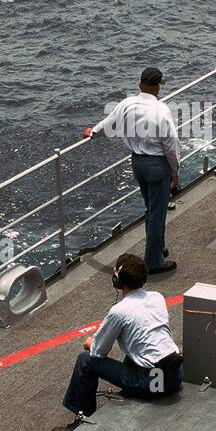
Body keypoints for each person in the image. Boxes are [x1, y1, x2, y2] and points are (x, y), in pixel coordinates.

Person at [51, 253, 182, 431]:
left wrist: (90, 342)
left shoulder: (119, 311)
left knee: (85, 360)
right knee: (136, 352)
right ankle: (134, 389)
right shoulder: (157, 297)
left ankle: (82, 420)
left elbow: (98, 352)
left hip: (152, 385)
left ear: (117, 280)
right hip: (174, 377)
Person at [84, 66, 179, 275]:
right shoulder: (162, 110)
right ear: (158, 87)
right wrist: (175, 170)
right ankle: (154, 261)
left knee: (149, 209)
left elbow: (108, 124)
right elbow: (171, 144)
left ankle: (159, 247)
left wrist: (93, 132)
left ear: (140, 84)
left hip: (137, 163)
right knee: (157, 214)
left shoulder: (127, 103)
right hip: (157, 165)